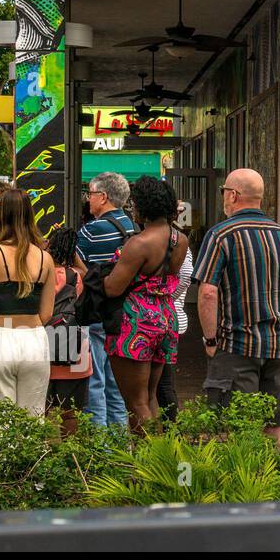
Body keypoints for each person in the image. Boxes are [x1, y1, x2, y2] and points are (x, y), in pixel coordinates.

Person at [197, 169, 280, 449]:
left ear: (233, 195)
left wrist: (210, 340)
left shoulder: (221, 235)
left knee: (237, 429)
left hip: (236, 346)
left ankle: (243, 490)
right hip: (277, 346)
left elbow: (207, 293)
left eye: (224, 192)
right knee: (279, 428)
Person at [101, 176, 189, 435]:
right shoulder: (179, 240)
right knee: (150, 398)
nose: (133, 210)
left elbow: (113, 288)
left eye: (134, 205)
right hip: (165, 315)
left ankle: (148, 465)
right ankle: (158, 461)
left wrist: (99, 274)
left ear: (143, 206)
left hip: (136, 322)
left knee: (135, 403)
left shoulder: (138, 244)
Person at [0, 188, 55, 424]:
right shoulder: (45, 258)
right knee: (33, 420)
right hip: (34, 340)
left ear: (2, 214)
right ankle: (32, 463)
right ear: (30, 215)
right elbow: (47, 313)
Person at [75, 173, 135, 427]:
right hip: (124, 313)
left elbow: (71, 259)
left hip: (96, 313)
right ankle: (121, 450)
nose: (88, 199)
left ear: (103, 197)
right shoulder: (132, 225)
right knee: (117, 386)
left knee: (94, 382)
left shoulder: (93, 229)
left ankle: (100, 452)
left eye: (90, 193)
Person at [44, 227, 91, 436]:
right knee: (70, 412)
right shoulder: (77, 276)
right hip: (73, 347)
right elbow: (90, 277)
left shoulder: (39, 273)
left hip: (44, 345)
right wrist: (74, 254)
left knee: (41, 409)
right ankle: (70, 458)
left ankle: (42, 455)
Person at [155, 207, 193, 422]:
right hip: (169, 317)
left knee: (161, 382)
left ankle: (167, 432)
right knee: (163, 381)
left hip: (162, 317)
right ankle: (168, 432)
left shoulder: (176, 241)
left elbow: (186, 274)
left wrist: (164, 296)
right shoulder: (178, 240)